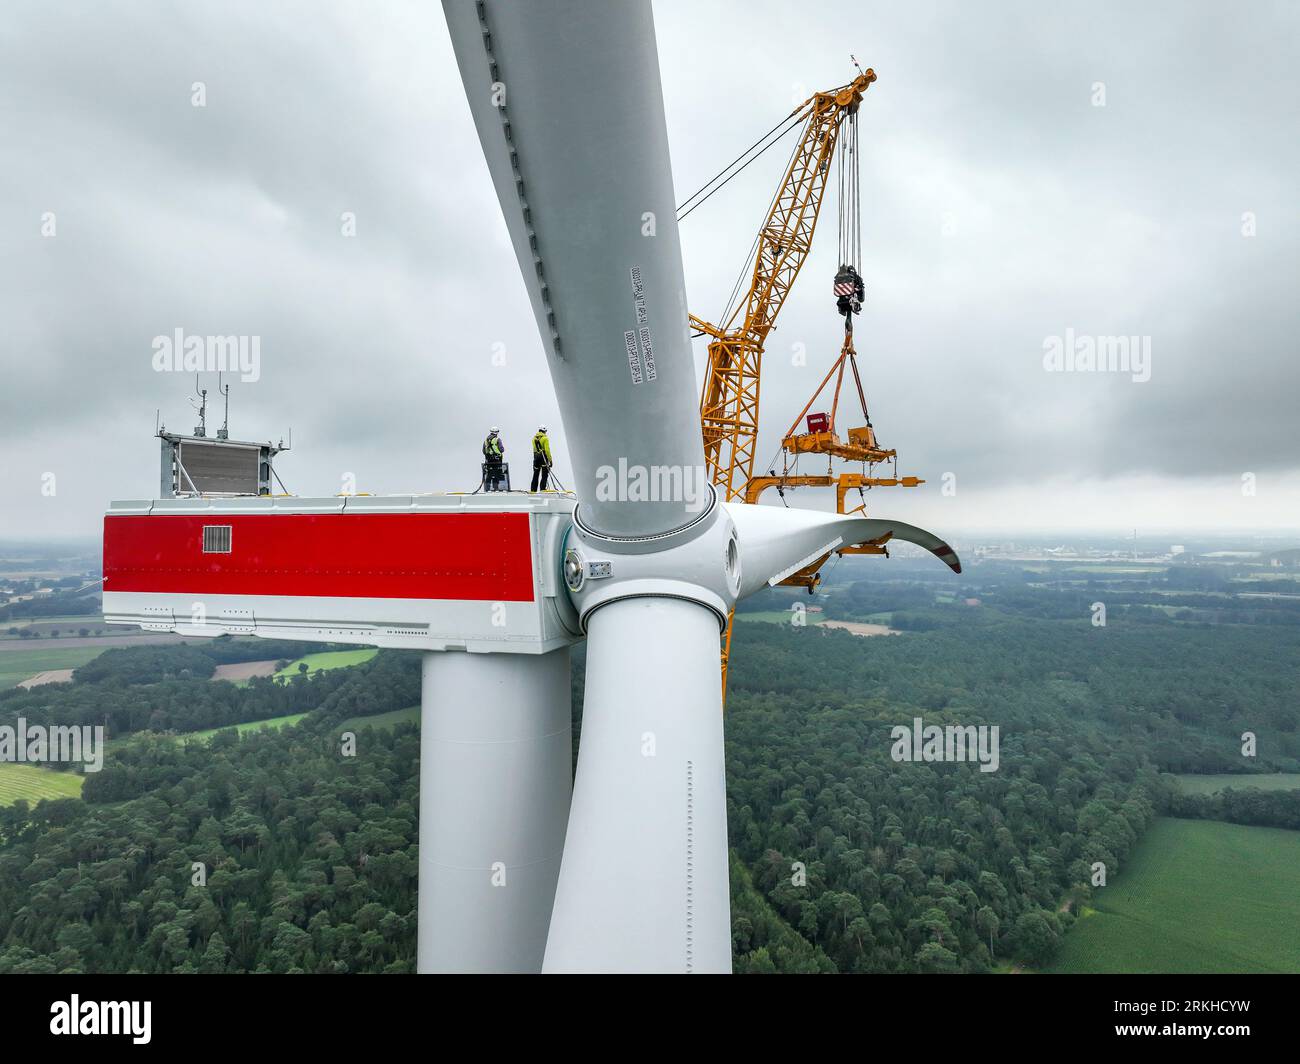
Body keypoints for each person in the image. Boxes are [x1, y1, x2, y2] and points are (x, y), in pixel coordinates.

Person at [482, 427, 506, 491]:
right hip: (497, 460)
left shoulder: (486, 440)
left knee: (489, 474)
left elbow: (484, 451)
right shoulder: (498, 439)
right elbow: (502, 449)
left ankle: (487, 488)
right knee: (497, 474)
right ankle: (496, 488)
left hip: (488, 460)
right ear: (497, 432)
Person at [530, 425, 552, 492]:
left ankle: (533, 490)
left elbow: (534, 450)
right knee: (544, 474)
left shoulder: (534, 439)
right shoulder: (545, 438)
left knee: (536, 474)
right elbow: (547, 450)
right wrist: (550, 460)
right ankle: (542, 489)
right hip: (543, 457)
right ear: (544, 431)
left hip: (536, 457)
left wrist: (535, 460)